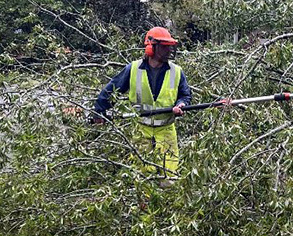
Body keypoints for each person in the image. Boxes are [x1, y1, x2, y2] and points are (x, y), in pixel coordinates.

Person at [91, 27, 214, 176]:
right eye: (164, 47)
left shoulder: (176, 71)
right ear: (151, 47)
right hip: (141, 130)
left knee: (169, 176)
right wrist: (100, 112)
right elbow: (110, 92)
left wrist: (181, 104)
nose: (169, 51)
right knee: (142, 178)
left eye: (170, 47)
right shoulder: (133, 69)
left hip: (166, 130)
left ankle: (167, 198)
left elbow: (185, 95)